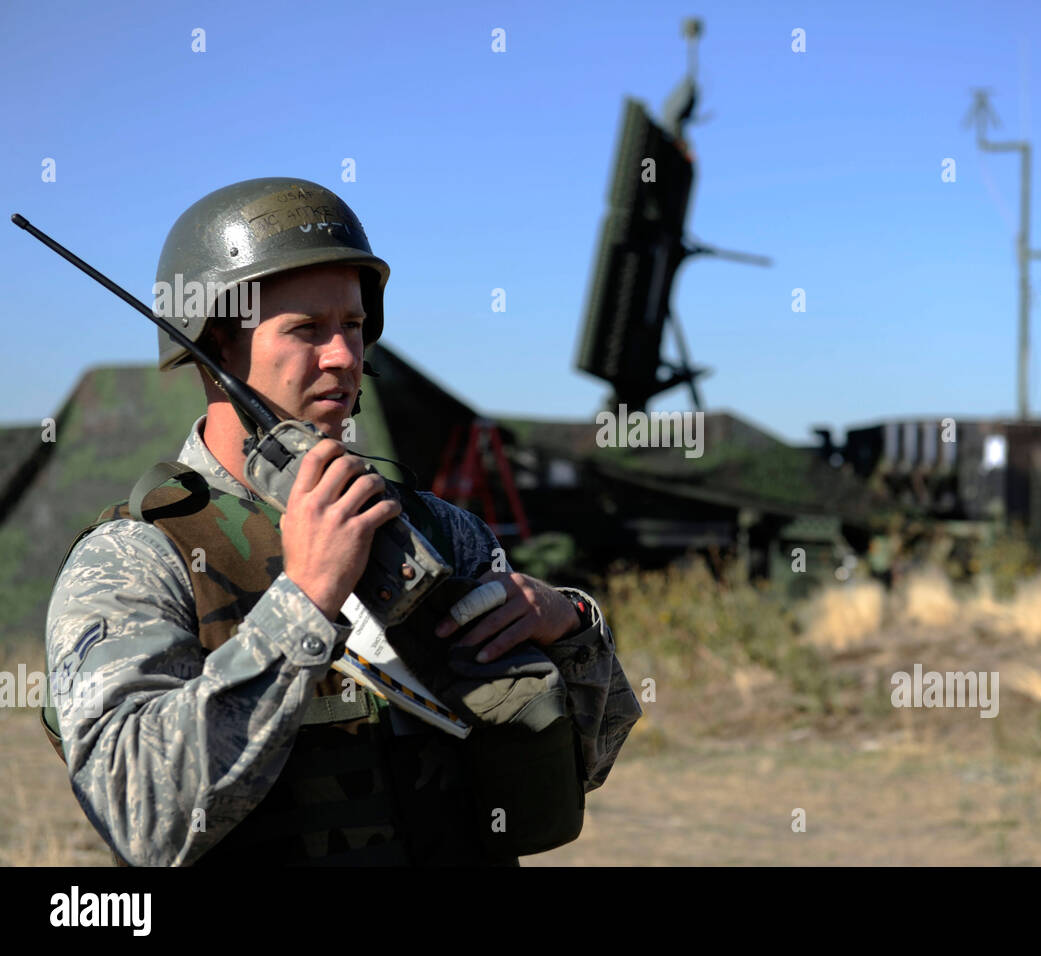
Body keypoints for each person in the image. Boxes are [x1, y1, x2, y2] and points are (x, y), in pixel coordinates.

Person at [43, 177, 642, 866]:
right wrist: (304, 603)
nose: (343, 357)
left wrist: (570, 629)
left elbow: (587, 765)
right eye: (305, 329)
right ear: (212, 346)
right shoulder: (138, 558)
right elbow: (141, 818)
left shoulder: (438, 533)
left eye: (353, 326)